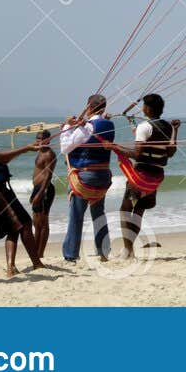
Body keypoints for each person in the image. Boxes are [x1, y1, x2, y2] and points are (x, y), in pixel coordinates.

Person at [111, 93, 180, 261]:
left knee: (125, 211)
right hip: (156, 177)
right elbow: (170, 153)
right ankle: (129, 249)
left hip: (140, 177)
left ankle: (128, 251)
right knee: (139, 211)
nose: (142, 109)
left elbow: (136, 154)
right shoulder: (167, 127)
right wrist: (176, 131)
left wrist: (115, 147)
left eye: (143, 106)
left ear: (148, 108)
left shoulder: (145, 127)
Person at [0, 130, 46, 277]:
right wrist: (25, 148)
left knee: (13, 228)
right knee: (26, 223)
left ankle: (11, 267)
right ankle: (36, 263)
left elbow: (0, 159)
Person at [59, 94, 116, 263]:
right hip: (103, 176)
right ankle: (103, 250)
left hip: (86, 178)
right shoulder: (109, 124)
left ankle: (71, 254)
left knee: (76, 215)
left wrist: (66, 127)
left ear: (89, 107)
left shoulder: (87, 127)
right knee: (99, 213)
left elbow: (65, 148)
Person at [29, 130, 57, 260]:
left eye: (41, 139)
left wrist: (40, 194)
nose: (39, 141)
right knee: (36, 222)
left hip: (44, 190)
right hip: (37, 188)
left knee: (43, 222)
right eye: (37, 139)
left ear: (48, 140)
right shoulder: (40, 151)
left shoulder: (49, 154)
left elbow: (48, 177)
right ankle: (35, 251)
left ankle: (40, 253)